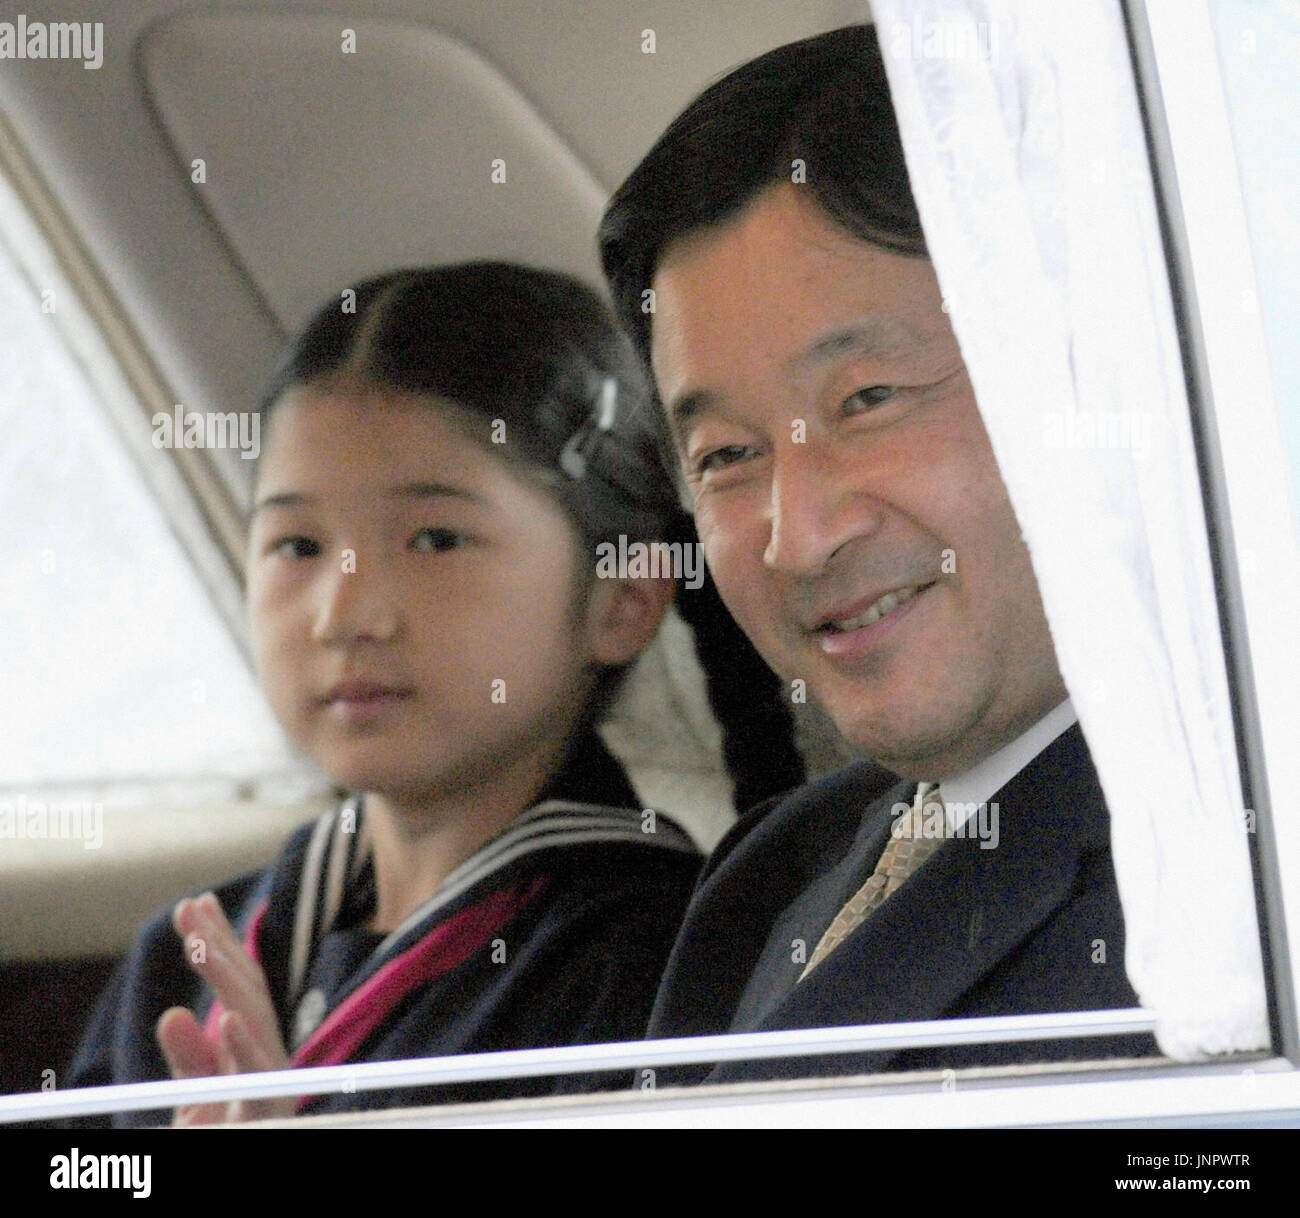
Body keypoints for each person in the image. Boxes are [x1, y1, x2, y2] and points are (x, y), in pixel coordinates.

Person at [65, 263, 805, 1124]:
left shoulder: (657, 969)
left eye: (435, 538)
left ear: (621, 601)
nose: (345, 614)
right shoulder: (190, 955)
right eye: (297, 545)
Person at [599, 24, 1160, 1082]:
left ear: (1088, 372)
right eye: (726, 454)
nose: (797, 535)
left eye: (868, 400)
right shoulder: (775, 871)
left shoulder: (1209, 893)